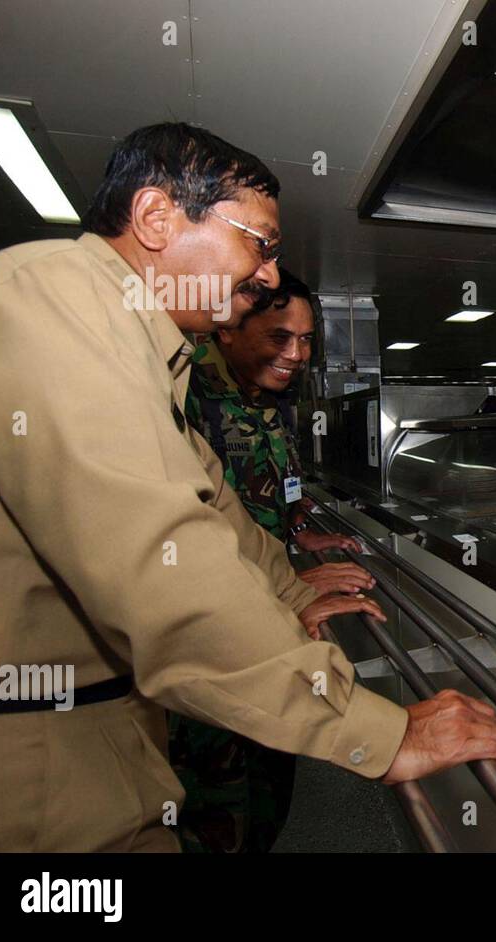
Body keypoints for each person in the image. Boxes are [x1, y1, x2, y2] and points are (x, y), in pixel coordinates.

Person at [0, 122, 496, 852]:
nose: (266, 276)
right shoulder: (55, 293)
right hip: (25, 763)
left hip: (97, 735)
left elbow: (213, 507)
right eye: (257, 243)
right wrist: (375, 729)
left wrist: (291, 593)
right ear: (158, 217)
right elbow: (158, 555)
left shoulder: (151, 352)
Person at [180, 267, 371, 851]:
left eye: (308, 339)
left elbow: (269, 482)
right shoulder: (184, 397)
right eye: (280, 337)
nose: (298, 354)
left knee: (270, 784)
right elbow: (186, 535)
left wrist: (297, 533)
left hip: (270, 604)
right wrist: (286, 583)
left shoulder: (274, 398)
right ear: (229, 330)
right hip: (209, 628)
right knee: (212, 801)